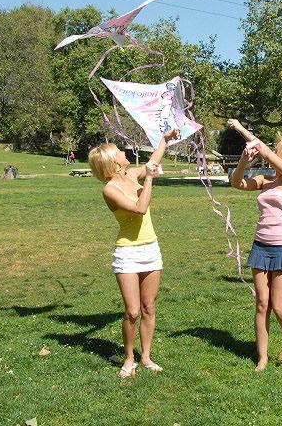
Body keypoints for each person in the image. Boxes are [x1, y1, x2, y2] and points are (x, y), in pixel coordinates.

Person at [88, 128, 179, 378]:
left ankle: (146, 356)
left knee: (149, 307)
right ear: (113, 162)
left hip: (151, 248)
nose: (123, 151)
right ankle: (129, 359)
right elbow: (140, 208)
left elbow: (153, 161)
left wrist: (165, 140)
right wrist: (148, 178)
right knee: (133, 311)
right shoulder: (110, 190)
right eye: (119, 151)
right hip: (127, 253)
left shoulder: (131, 174)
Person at [227, 119, 282, 371]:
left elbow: (265, 152)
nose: (274, 156)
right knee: (262, 304)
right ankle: (262, 357)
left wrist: (241, 129)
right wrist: (243, 162)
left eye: (278, 153)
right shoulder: (266, 180)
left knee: (280, 307)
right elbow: (237, 183)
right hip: (261, 246)